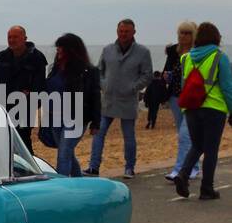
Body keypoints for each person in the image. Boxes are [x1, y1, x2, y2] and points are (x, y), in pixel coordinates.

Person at [86, 18, 153, 179]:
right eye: (121, 31)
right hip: (108, 99)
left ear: (133, 32)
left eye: (127, 31)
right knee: (98, 133)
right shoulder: (108, 49)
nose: (123, 34)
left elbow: (147, 75)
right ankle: (93, 167)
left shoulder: (143, 52)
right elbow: (99, 70)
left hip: (128, 100)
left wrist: (133, 87)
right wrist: (103, 84)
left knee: (128, 136)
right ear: (117, 31)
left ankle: (129, 167)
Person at [173, 21, 232, 200]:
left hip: (191, 107)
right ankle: (207, 188)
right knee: (211, 149)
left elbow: (184, 85)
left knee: (197, 145)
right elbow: (227, 87)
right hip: (214, 108)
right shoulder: (219, 57)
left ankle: (183, 174)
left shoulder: (187, 58)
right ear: (216, 38)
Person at [42, 33, 101, 177]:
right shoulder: (55, 68)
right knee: (66, 152)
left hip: (75, 117)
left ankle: (61, 188)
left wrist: (96, 122)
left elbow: (95, 96)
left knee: (64, 153)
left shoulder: (88, 71)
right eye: (58, 47)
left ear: (72, 50)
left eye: (61, 47)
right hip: (54, 117)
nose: (58, 50)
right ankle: (78, 181)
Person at [0, 25, 48, 151]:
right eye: (9, 37)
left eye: (15, 37)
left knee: (23, 144)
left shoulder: (37, 58)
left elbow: (39, 87)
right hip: (2, 108)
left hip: (24, 110)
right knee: (3, 142)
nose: (12, 40)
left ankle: (28, 170)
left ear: (25, 38)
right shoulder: (1, 57)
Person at [163, 20, 200, 183]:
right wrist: (166, 76)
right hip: (175, 96)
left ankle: (180, 170)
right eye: (181, 33)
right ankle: (194, 167)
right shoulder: (173, 51)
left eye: (188, 33)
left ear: (194, 35)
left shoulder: (198, 52)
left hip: (192, 98)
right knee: (185, 133)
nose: (184, 36)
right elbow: (167, 70)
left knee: (185, 135)